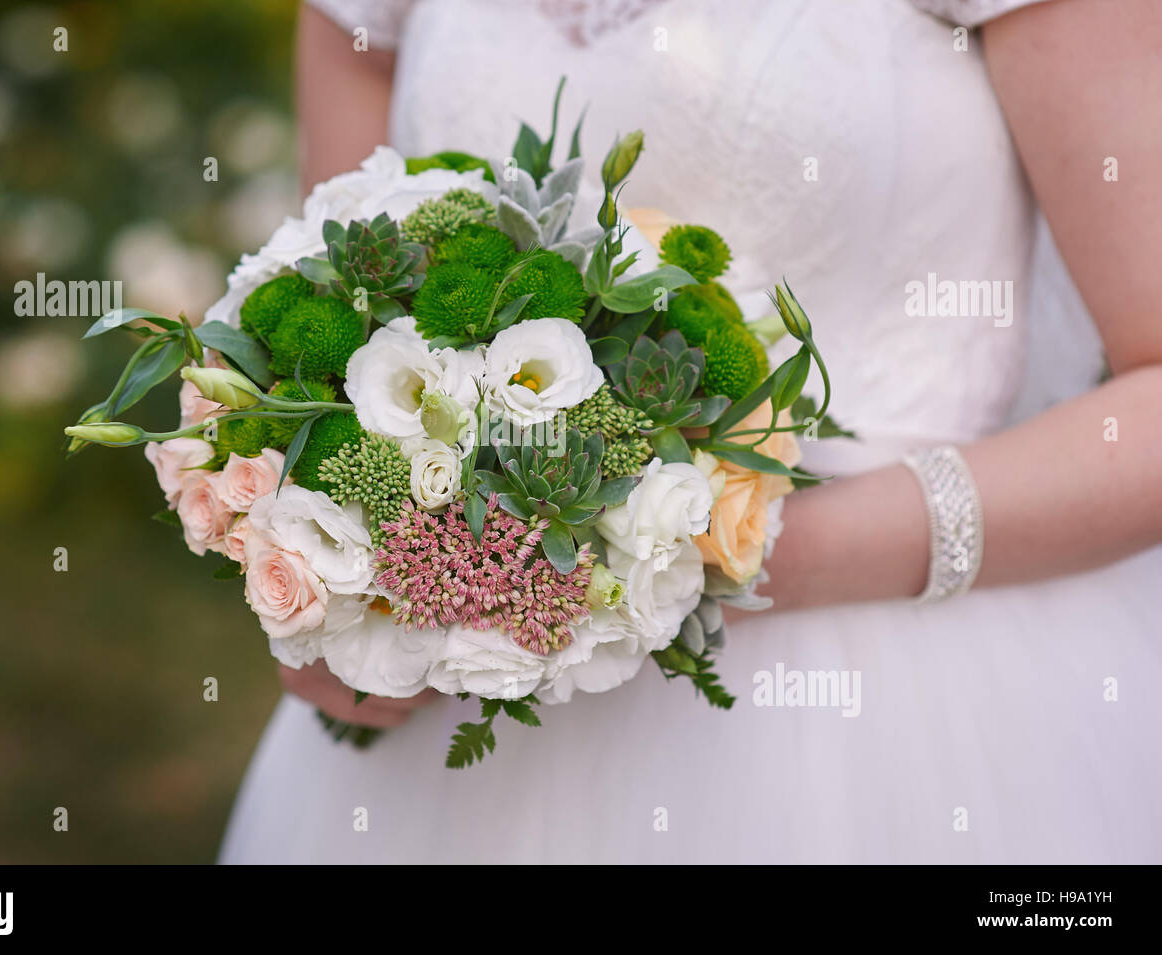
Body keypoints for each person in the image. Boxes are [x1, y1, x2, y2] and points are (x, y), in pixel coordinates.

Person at [221, 0, 1162, 863]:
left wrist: (685, 556)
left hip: (893, 704)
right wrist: (339, 581)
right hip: (453, 722)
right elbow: (334, 322)